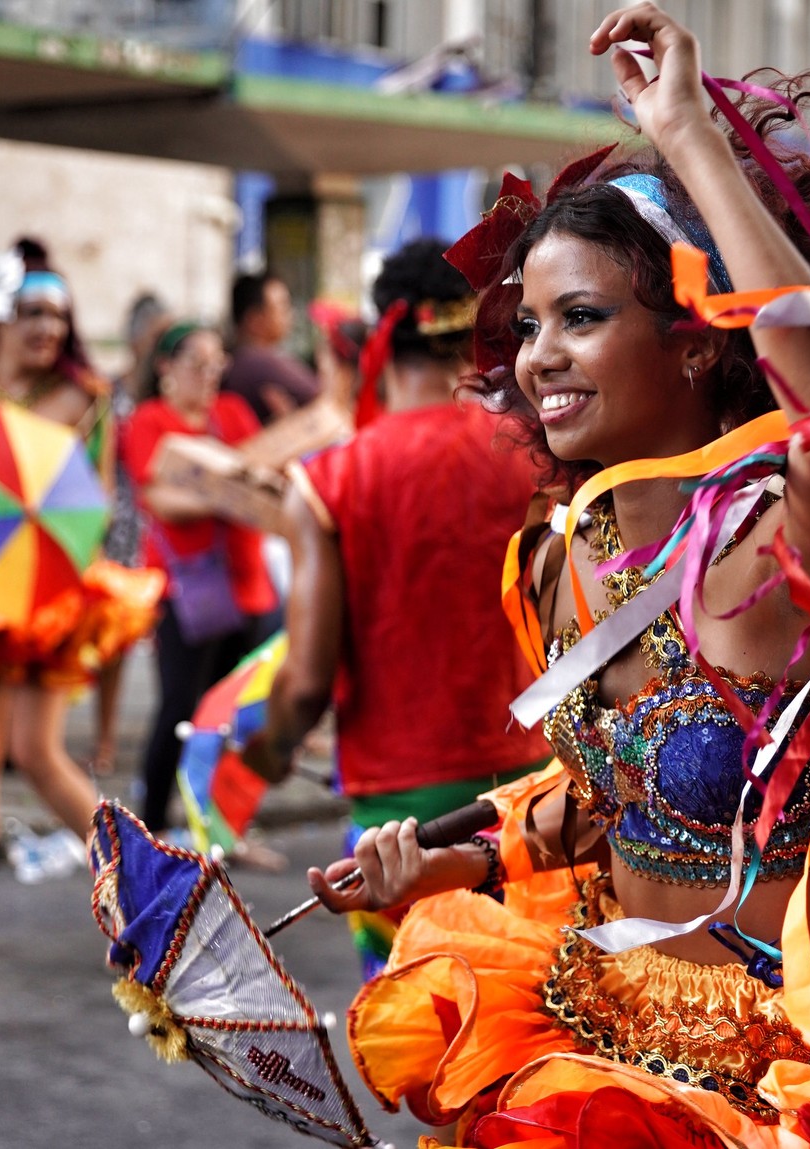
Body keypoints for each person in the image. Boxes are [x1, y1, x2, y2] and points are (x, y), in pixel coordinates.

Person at [302, 7, 810, 1146]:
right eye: (532, 324)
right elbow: (611, 806)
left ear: (698, 341)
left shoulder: (775, 556)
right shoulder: (564, 559)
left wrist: (690, 134)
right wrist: (443, 865)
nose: (538, 354)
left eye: (583, 318)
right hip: (605, 1044)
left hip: (802, 1071)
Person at [245, 238, 552, 977]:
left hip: (399, 821)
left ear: (381, 334)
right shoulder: (537, 450)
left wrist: (267, 750)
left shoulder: (330, 477)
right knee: (529, 1034)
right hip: (532, 798)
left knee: (420, 1042)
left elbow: (308, 678)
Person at [0, 239, 162, 955]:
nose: (46, 327)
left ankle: (149, 887)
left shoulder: (85, 397)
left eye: (57, 313)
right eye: (29, 312)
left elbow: (94, 505)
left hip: (51, 591)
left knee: (36, 751)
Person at [122, 321, 280, 837]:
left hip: (245, 582)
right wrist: (225, 491)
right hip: (184, 590)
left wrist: (227, 487)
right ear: (167, 366)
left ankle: (217, 828)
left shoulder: (231, 413)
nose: (211, 375)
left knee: (231, 715)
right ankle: (154, 827)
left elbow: (261, 478)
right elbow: (160, 500)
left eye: (217, 364)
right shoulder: (150, 421)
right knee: (179, 708)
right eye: (198, 364)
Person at [90, 291, 171, 776]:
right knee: (113, 641)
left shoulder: (161, 394)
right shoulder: (112, 391)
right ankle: (104, 738)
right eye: (157, 335)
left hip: (157, 522)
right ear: (137, 338)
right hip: (122, 523)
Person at [220, 270, 319, 425]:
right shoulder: (258, 362)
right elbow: (318, 395)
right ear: (254, 319)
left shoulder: (238, 357)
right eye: (282, 306)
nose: (290, 314)